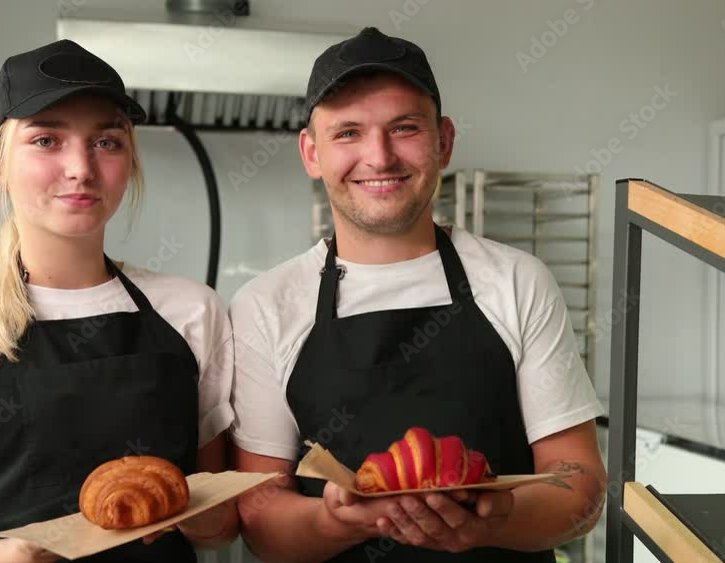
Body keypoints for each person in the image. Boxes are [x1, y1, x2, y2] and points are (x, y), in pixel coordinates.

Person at [230, 27, 607, 562]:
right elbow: (261, 515)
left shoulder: (517, 280)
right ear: (311, 153)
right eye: (348, 133)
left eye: (404, 128)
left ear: (444, 141)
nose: (379, 157)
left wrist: (493, 522)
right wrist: (335, 522)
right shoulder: (266, 304)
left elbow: (580, 481)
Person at [0, 40, 237, 563]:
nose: (80, 168)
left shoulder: (193, 311)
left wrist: (188, 510)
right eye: (46, 140)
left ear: (129, 161)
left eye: (107, 142)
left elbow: (217, 529)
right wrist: (0, 557)